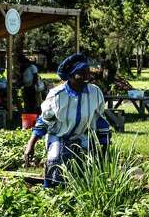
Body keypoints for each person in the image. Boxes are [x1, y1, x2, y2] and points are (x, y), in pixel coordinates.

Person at [22, 52, 111, 187]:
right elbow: (44, 121)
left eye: (88, 72)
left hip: (82, 136)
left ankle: (79, 198)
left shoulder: (95, 93)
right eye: (82, 73)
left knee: (87, 169)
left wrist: (104, 146)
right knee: (55, 161)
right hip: (59, 136)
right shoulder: (57, 95)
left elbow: (100, 120)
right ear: (70, 76)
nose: (87, 76)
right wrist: (31, 144)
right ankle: (51, 195)